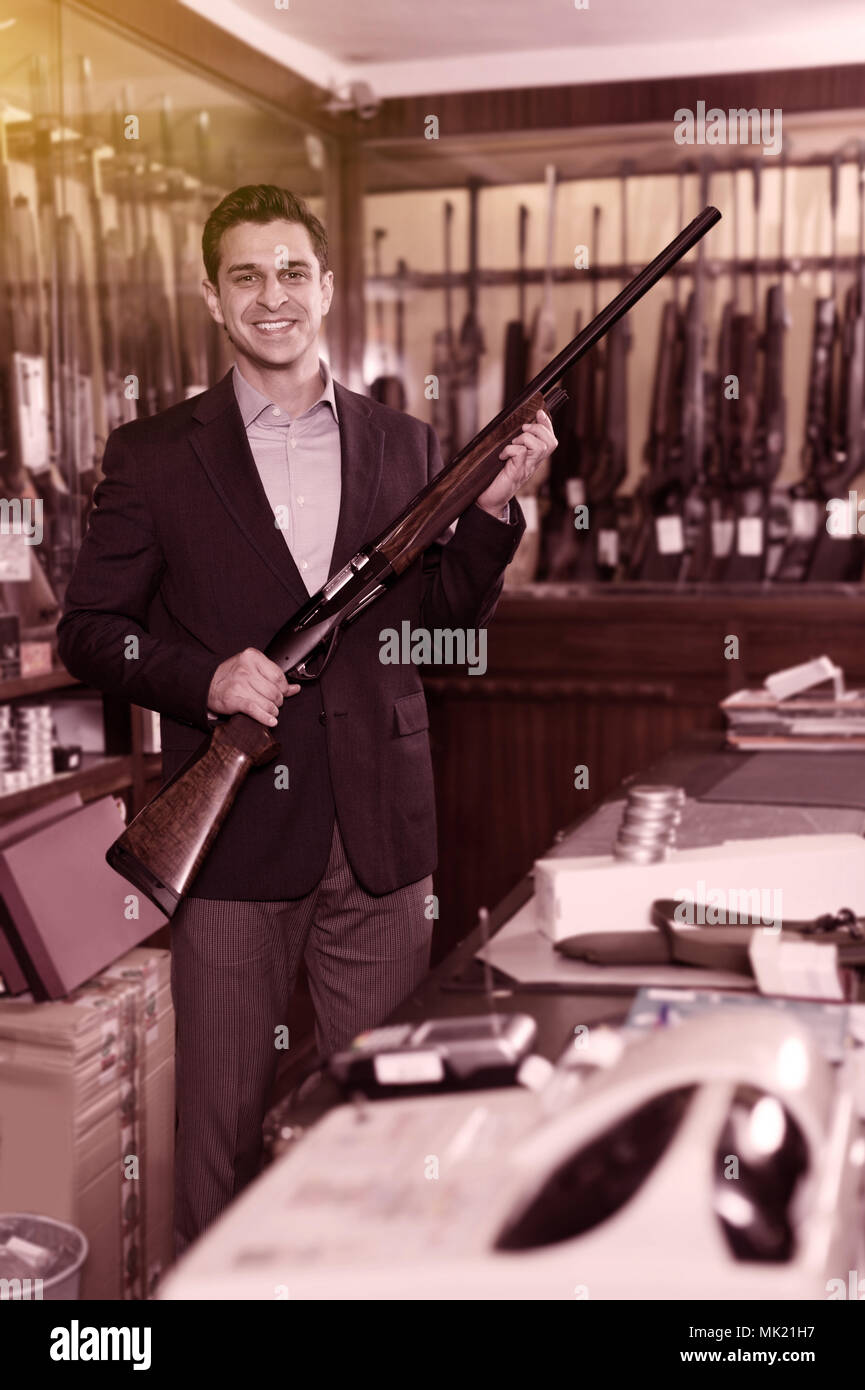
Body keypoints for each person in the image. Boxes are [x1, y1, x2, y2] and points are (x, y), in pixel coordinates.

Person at [57, 184, 557, 1252]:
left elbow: (448, 624)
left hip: (382, 839)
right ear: (211, 295)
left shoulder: (410, 445)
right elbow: (90, 632)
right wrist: (208, 680)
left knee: (380, 1129)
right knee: (220, 1140)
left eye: (292, 271)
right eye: (245, 274)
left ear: (327, 287)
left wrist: (497, 507)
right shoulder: (153, 456)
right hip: (232, 838)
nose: (271, 295)